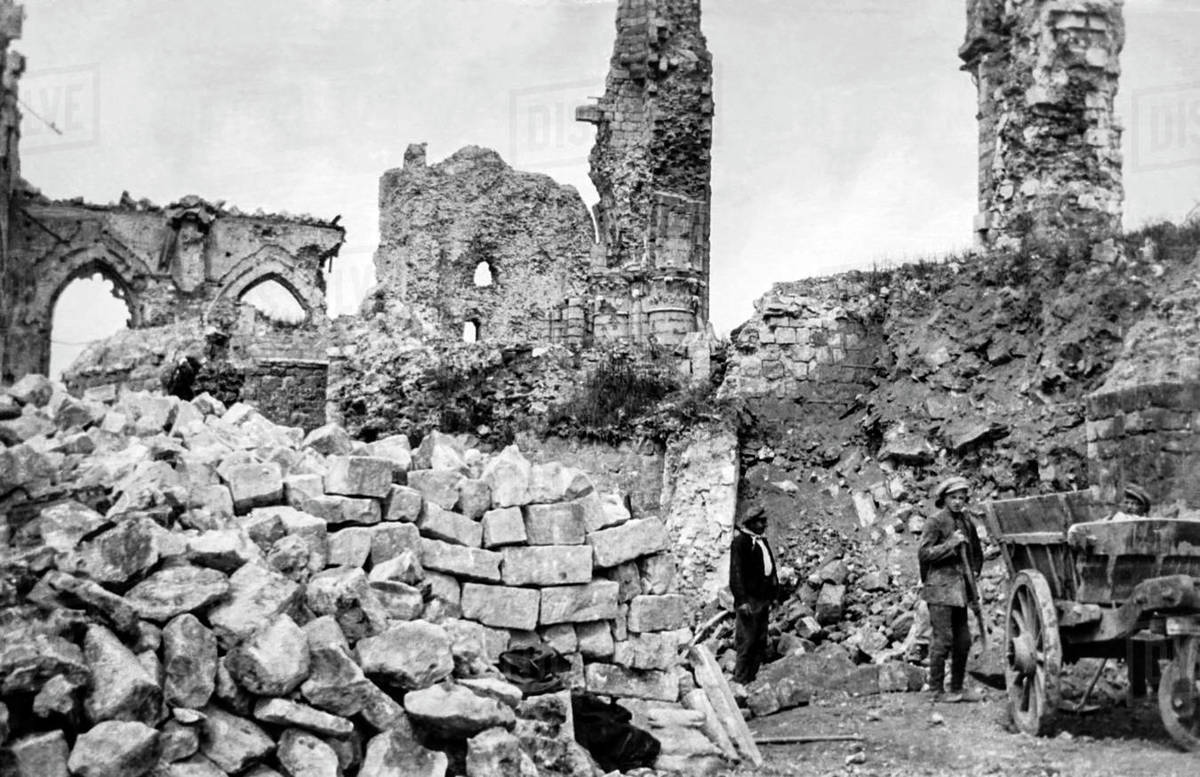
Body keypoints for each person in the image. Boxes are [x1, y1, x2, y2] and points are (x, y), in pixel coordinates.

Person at [918, 476, 984, 703]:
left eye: (961, 498)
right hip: (939, 589)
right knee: (943, 639)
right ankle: (936, 689)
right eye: (953, 498)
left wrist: (975, 573)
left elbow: (976, 551)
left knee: (963, 641)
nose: (958, 502)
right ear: (944, 498)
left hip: (960, 590)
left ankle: (957, 688)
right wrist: (950, 545)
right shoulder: (935, 521)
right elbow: (924, 554)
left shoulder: (966, 521)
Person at [730, 505, 778, 685]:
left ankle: (752, 680)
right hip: (749, 600)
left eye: (765, 521)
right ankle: (740, 682)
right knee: (746, 642)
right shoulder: (740, 543)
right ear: (751, 523)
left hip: (763, 598)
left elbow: (770, 569)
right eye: (761, 521)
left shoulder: (762, 542)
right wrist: (741, 600)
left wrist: (773, 595)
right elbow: (735, 573)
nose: (764, 525)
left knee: (759, 641)